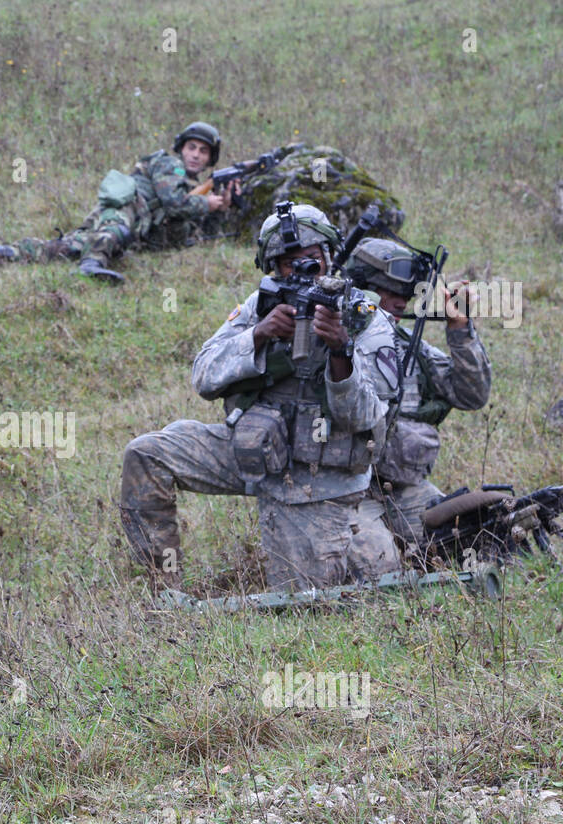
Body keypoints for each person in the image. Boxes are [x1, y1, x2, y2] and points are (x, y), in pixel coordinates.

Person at [120, 203, 403, 592]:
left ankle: (362, 542)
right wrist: (259, 335)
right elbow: (203, 375)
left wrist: (340, 352)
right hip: (254, 450)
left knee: (300, 603)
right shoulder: (262, 304)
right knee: (147, 454)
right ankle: (161, 589)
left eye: (312, 260)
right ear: (274, 268)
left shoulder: (365, 318)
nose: (302, 270)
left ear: (329, 258)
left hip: (318, 478)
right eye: (289, 264)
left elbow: (364, 417)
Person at [342, 239, 492, 551]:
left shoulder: (409, 345)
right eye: (390, 292)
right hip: (342, 489)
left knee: (464, 539)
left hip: (401, 486)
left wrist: (460, 329)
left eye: (406, 295)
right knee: (377, 564)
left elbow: (471, 395)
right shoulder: (331, 343)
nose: (400, 302)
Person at [0, 121, 233, 283]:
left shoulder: (188, 186)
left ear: (210, 158)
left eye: (203, 151)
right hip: (125, 209)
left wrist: (220, 208)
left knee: (66, 247)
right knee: (114, 233)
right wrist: (206, 204)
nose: (196, 155)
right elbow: (174, 203)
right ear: (181, 148)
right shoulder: (171, 165)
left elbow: (183, 236)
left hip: (122, 219)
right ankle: (91, 266)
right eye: (192, 147)